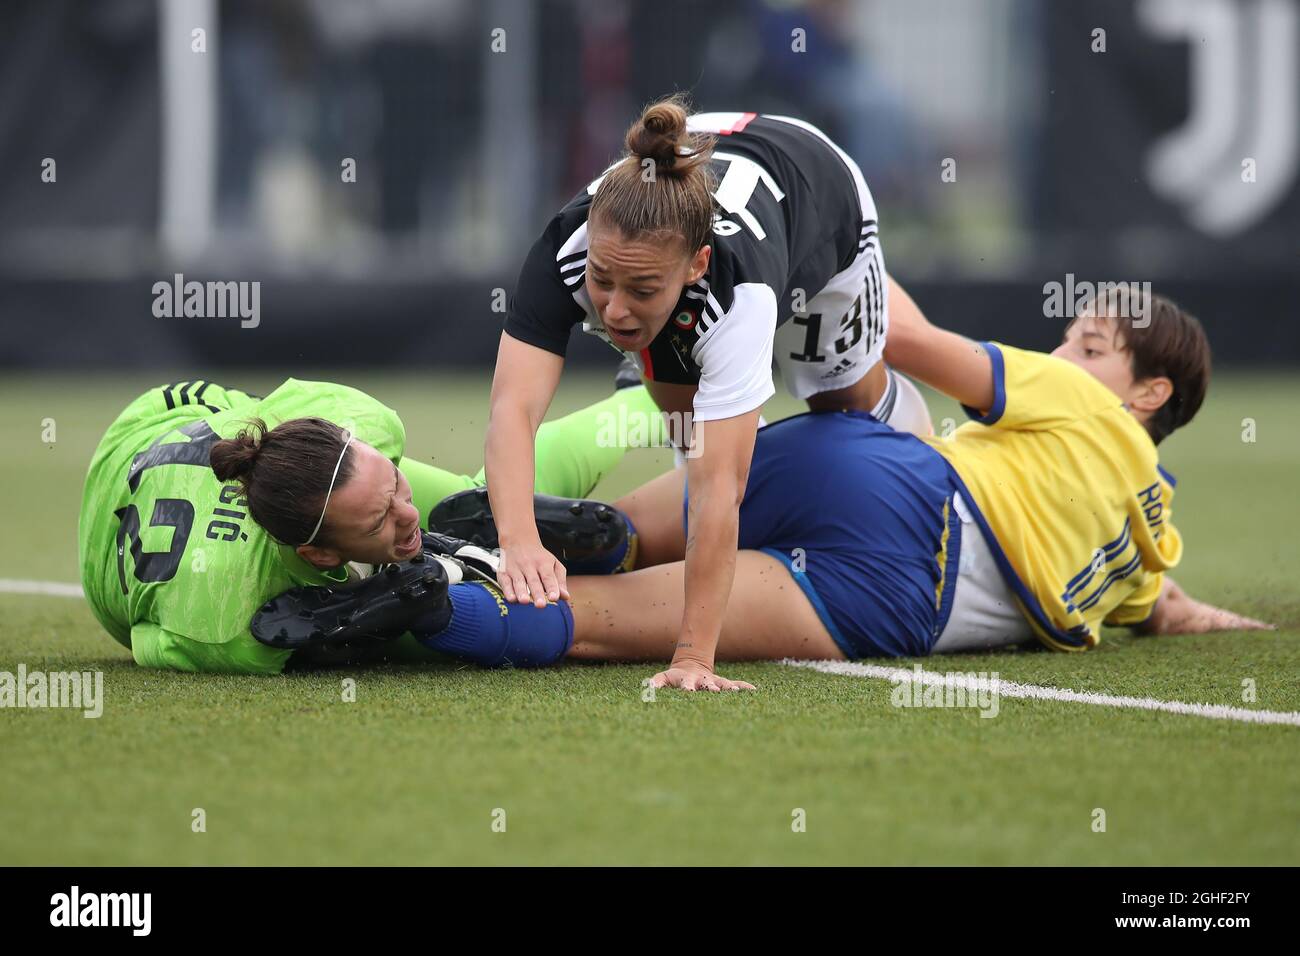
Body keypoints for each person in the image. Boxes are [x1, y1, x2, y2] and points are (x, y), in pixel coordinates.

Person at [255, 288, 1271, 672]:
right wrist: (1228, 620)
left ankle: (557, 528)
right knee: (595, 624)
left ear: (1145, 392)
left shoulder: (1069, 401)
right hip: (905, 585)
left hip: (869, 467)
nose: (1059, 345)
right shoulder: (1148, 540)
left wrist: (837, 229)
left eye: (1087, 342)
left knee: (615, 532)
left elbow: (898, 331)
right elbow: (1167, 605)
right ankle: (426, 604)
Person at [485, 95, 930, 693]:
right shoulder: (566, 244)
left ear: (695, 263)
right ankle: (669, 381)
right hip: (703, 170)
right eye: (602, 280)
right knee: (686, 417)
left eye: (641, 287)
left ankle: (923, 439)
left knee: (842, 407)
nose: (613, 308)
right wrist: (518, 541)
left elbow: (722, 488)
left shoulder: (739, 296)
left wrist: (694, 658)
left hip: (816, 192)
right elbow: (514, 408)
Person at [78, 376, 664, 674]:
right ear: (318, 555)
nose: (405, 511)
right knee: (454, 517)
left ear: (356, 442)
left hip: (158, 423)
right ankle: (641, 400)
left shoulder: (363, 424)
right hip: (139, 473)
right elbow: (145, 635)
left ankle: (422, 574)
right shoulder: (226, 617)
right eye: (382, 516)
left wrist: (382, 524)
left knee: (452, 534)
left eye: (394, 485)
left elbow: (144, 644)